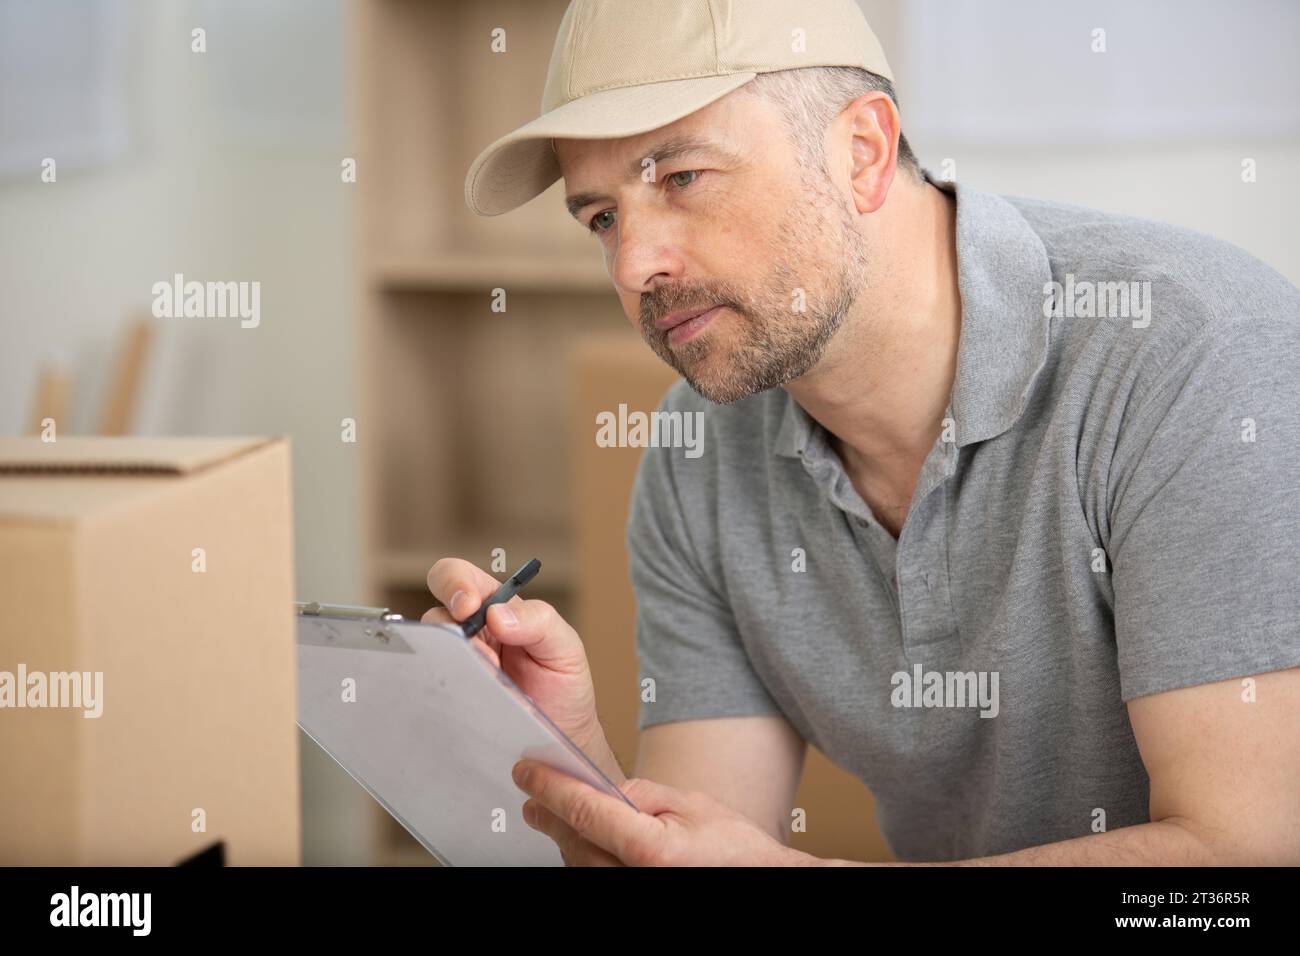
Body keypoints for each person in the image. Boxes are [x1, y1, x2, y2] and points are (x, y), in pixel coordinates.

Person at [424, 0, 1300, 865]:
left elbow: (1241, 865)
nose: (632, 266)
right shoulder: (701, 447)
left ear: (863, 152)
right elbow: (713, 844)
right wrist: (573, 765)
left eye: (681, 178)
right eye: (603, 216)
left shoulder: (1192, 353)